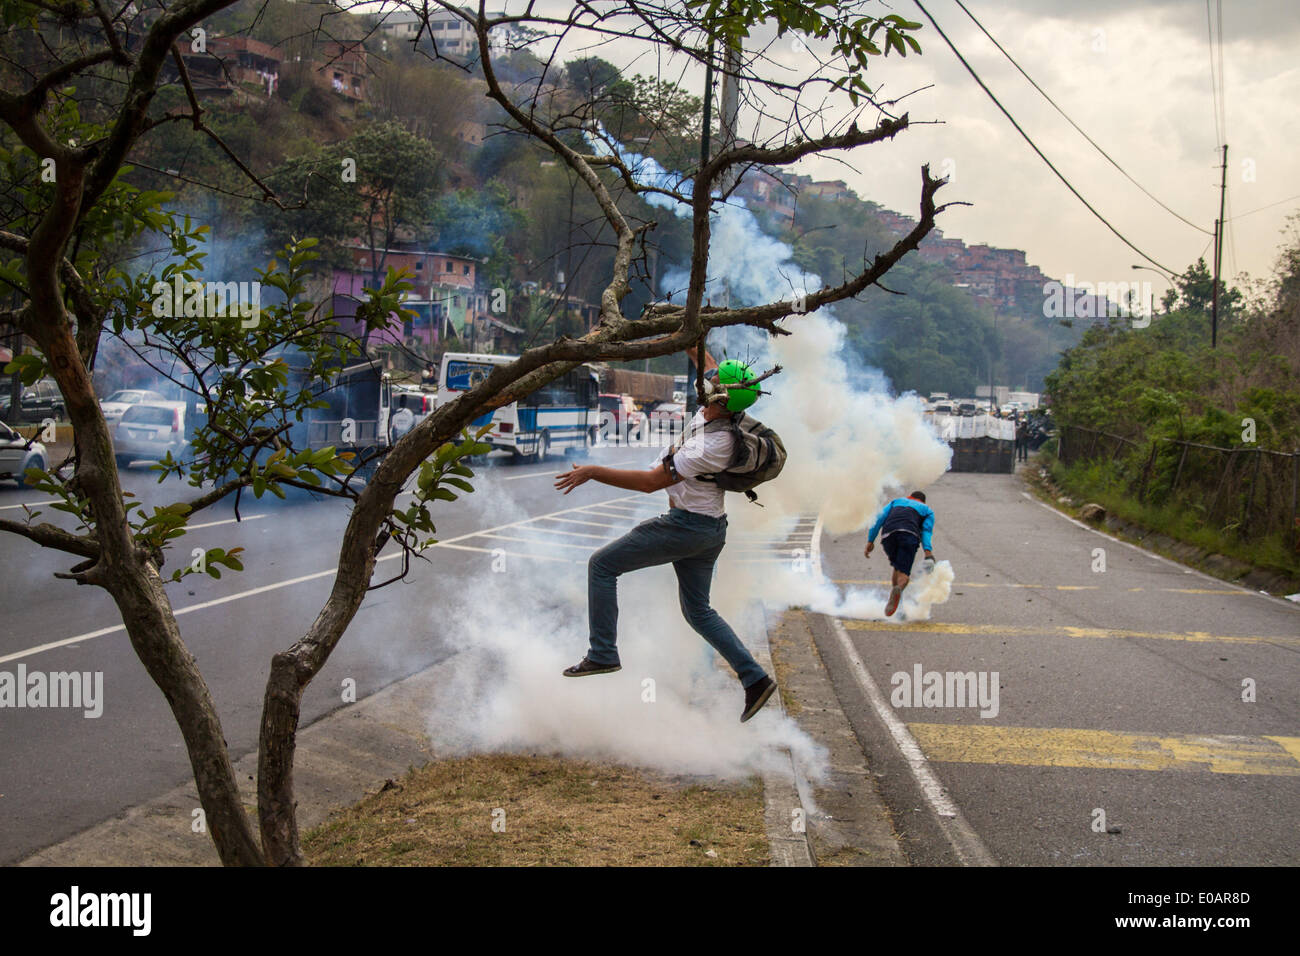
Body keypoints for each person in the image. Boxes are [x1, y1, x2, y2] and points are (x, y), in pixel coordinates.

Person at [553, 362, 777, 723]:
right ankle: (755, 679)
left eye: (713, 383)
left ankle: (603, 652)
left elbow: (649, 482)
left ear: (723, 397)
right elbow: (715, 367)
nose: (707, 383)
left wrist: (592, 472)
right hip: (709, 529)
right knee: (698, 611)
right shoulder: (716, 415)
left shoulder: (711, 445)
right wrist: (691, 336)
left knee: (602, 565)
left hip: (686, 528)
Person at [864, 491, 936, 617]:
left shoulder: (895, 502)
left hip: (888, 537)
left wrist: (870, 540)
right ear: (923, 501)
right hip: (909, 536)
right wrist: (928, 552)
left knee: (897, 567)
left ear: (910, 497)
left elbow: (879, 519)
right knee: (903, 575)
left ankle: (899, 608)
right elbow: (926, 531)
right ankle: (898, 590)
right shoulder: (927, 510)